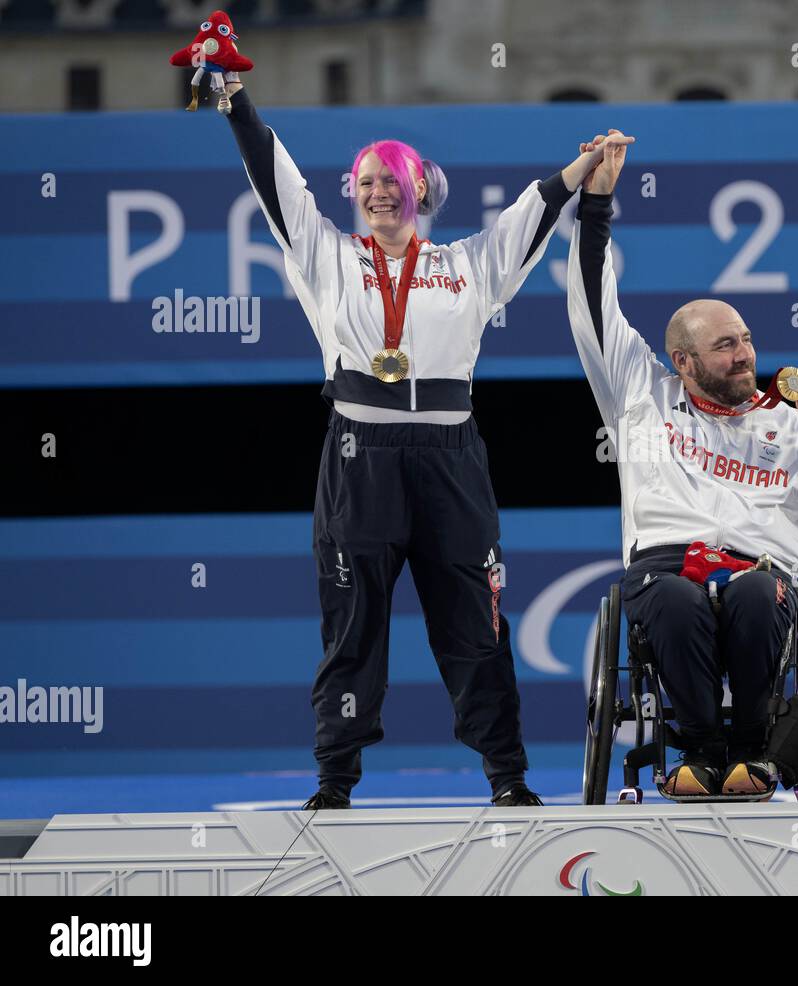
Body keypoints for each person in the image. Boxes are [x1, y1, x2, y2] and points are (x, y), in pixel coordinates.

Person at [217, 71, 625, 809]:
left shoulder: (466, 263)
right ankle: (335, 781)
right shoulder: (325, 255)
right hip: (358, 457)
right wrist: (234, 101)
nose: (379, 193)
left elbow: (529, 221)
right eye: (367, 181)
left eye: (393, 180)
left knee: (477, 624)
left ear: (422, 189)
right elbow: (272, 176)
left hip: (450, 458)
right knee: (353, 628)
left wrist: (581, 170)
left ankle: (508, 778)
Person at [567, 132, 798, 799]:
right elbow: (593, 308)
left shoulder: (789, 422)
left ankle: (752, 754)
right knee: (673, 600)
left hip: (760, 572)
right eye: (724, 347)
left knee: (751, 592)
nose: (745, 355)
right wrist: (596, 205)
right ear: (682, 362)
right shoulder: (641, 395)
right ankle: (701, 752)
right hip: (665, 567)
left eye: (746, 340)